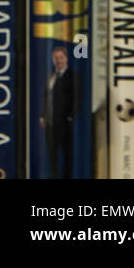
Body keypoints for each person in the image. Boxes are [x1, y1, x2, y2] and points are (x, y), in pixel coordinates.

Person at [40, 44, 80, 178]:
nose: (58, 60)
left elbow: (77, 97)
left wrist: (71, 116)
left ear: (66, 59)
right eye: (56, 58)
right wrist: (43, 115)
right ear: (52, 60)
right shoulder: (51, 76)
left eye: (61, 57)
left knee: (67, 154)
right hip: (50, 123)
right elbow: (46, 96)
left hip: (64, 122)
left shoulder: (73, 75)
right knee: (52, 155)